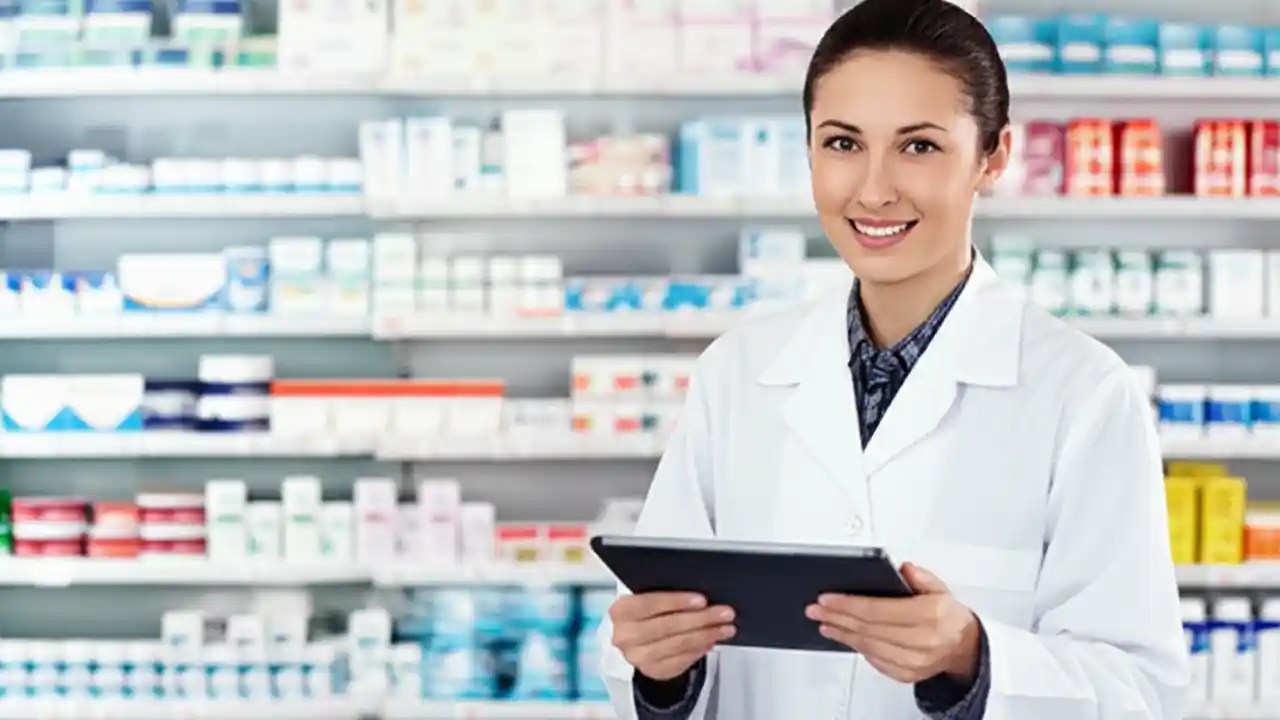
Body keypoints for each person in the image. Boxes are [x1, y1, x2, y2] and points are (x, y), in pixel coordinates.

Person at [596, 1, 1189, 718]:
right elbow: (652, 635)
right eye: (843, 144)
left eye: (919, 146)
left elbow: (1142, 693)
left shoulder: (1083, 393)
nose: (874, 189)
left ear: (993, 157)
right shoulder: (739, 372)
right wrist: (662, 669)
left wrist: (972, 657)